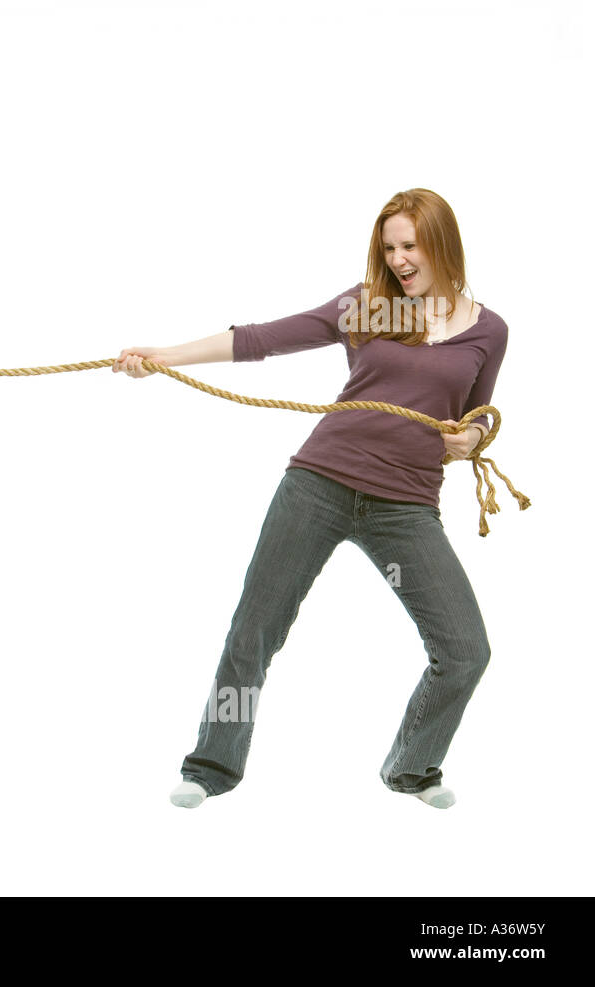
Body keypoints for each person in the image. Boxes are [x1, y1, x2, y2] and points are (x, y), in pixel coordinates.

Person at [113, 188, 505, 809]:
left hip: (405, 508)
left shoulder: (489, 329)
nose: (399, 260)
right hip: (319, 484)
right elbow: (263, 339)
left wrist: (472, 437)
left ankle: (412, 768)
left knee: (465, 651)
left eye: (410, 246)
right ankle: (211, 766)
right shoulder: (366, 306)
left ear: (442, 243)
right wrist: (163, 356)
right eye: (390, 248)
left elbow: (480, 409)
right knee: (254, 633)